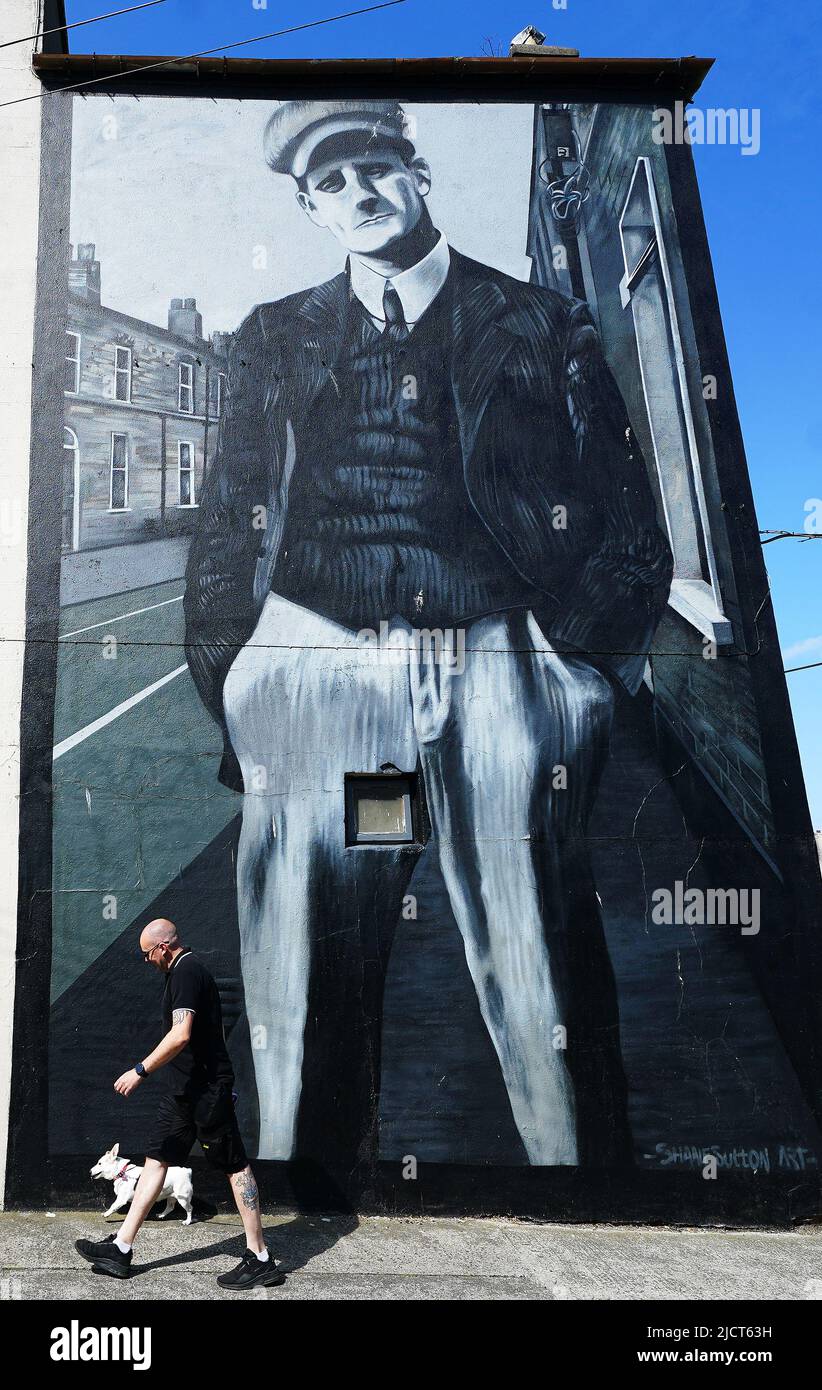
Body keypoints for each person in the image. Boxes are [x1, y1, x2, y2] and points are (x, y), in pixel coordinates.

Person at [183, 100, 674, 1186]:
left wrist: (570, 669)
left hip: (499, 666)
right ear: (310, 207)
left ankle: (589, 1196)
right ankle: (308, 1199)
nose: (359, 191)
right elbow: (229, 520)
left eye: (375, 165)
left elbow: (632, 524)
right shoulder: (274, 336)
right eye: (332, 182)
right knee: (307, 960)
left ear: (418, 172)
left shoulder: (541, 323)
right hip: (320, 675)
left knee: (534, 948)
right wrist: (241, 677)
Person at [75, 919, 284, 1288]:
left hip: (206, 1092)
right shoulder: (177, 974)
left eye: (146, 955)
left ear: (163, 947)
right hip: (183, 1092)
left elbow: (181, 1035)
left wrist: (140, 1070)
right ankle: (121, 1248)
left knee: (235, 1166)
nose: (145, 961)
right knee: (156, 1160)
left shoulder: (187, 971)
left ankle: (261, 1258)